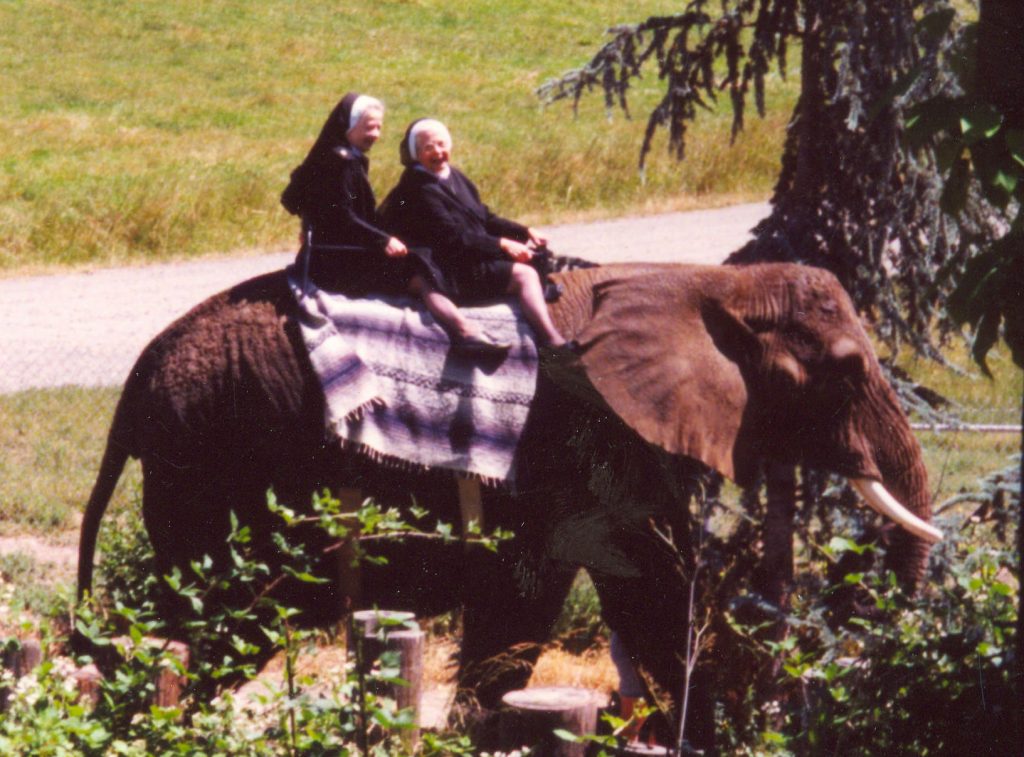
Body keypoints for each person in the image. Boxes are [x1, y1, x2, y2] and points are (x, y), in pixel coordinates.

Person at [282, 95, 508, 353]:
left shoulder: (338, 156)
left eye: (379, 127)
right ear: (349, 125)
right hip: (338, 261)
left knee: (416, 254)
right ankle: (463, 330)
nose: (376, 134)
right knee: (420, 270)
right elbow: (341, 217)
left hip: (334, 250)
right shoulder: (339, 163)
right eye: (369, 127)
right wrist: (383, 240)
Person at [380, 118, 567, 348]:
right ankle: (552, 340)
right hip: (448, 266)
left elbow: (484, 217)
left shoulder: (454, 176)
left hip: (469, 252)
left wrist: (524, 231)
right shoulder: (418, 188)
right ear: (415, 154)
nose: (438, 152)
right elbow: (453, 238)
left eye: (441, 144)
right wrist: (502, 244)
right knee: (524, 275)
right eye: (428, 148)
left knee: (532, 253)